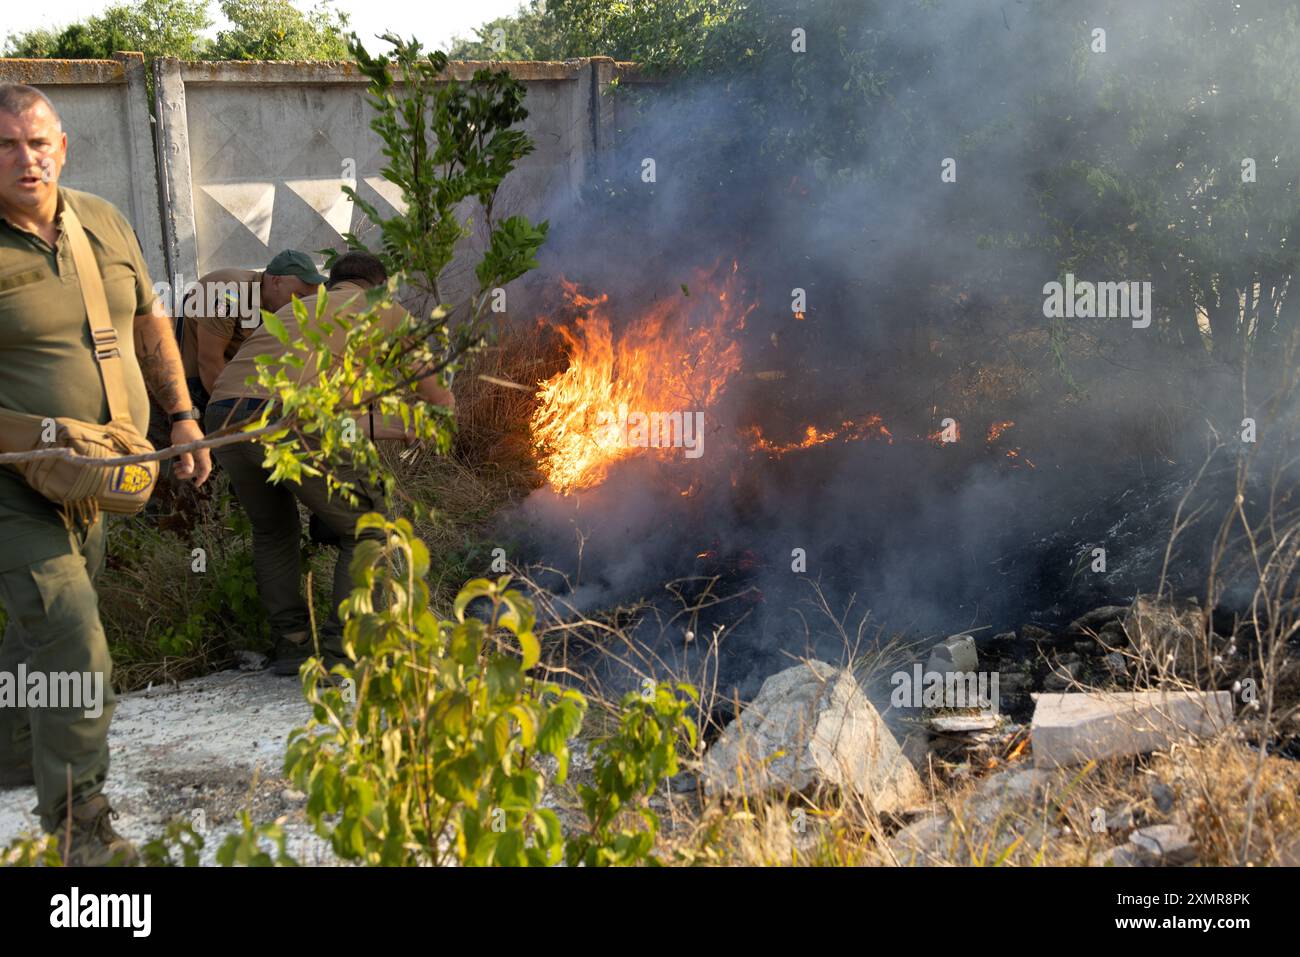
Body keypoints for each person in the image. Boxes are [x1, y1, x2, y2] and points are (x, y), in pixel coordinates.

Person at [0, 84, 211, 865]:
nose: (28, 158)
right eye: (8, 146)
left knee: (39, 635)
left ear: (64, 147)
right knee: (72, 633)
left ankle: (15, 755)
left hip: (96, 478)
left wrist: (182, 414)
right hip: (11, 479)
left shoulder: (103, 221)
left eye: (40, 142)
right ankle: (79, 827)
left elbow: (149, 319)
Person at [206, 250, 454, 676]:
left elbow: (335, 416)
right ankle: (344, 654)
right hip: (284, 415)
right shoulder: (386, 310)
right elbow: (438, 399)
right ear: (378, 286)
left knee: (273, 530)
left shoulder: (297, 310)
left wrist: (385, 426)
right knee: (367, 529)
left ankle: (291, 645)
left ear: (333, 284)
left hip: (223, 414)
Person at [146, 250, 326, 453]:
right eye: (299, 296)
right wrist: (237, 419)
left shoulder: (274, 303)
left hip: (228, 384)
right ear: (276, 281)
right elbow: (209, 361)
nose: (300, 305)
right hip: (193, 388)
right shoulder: (229, 294)